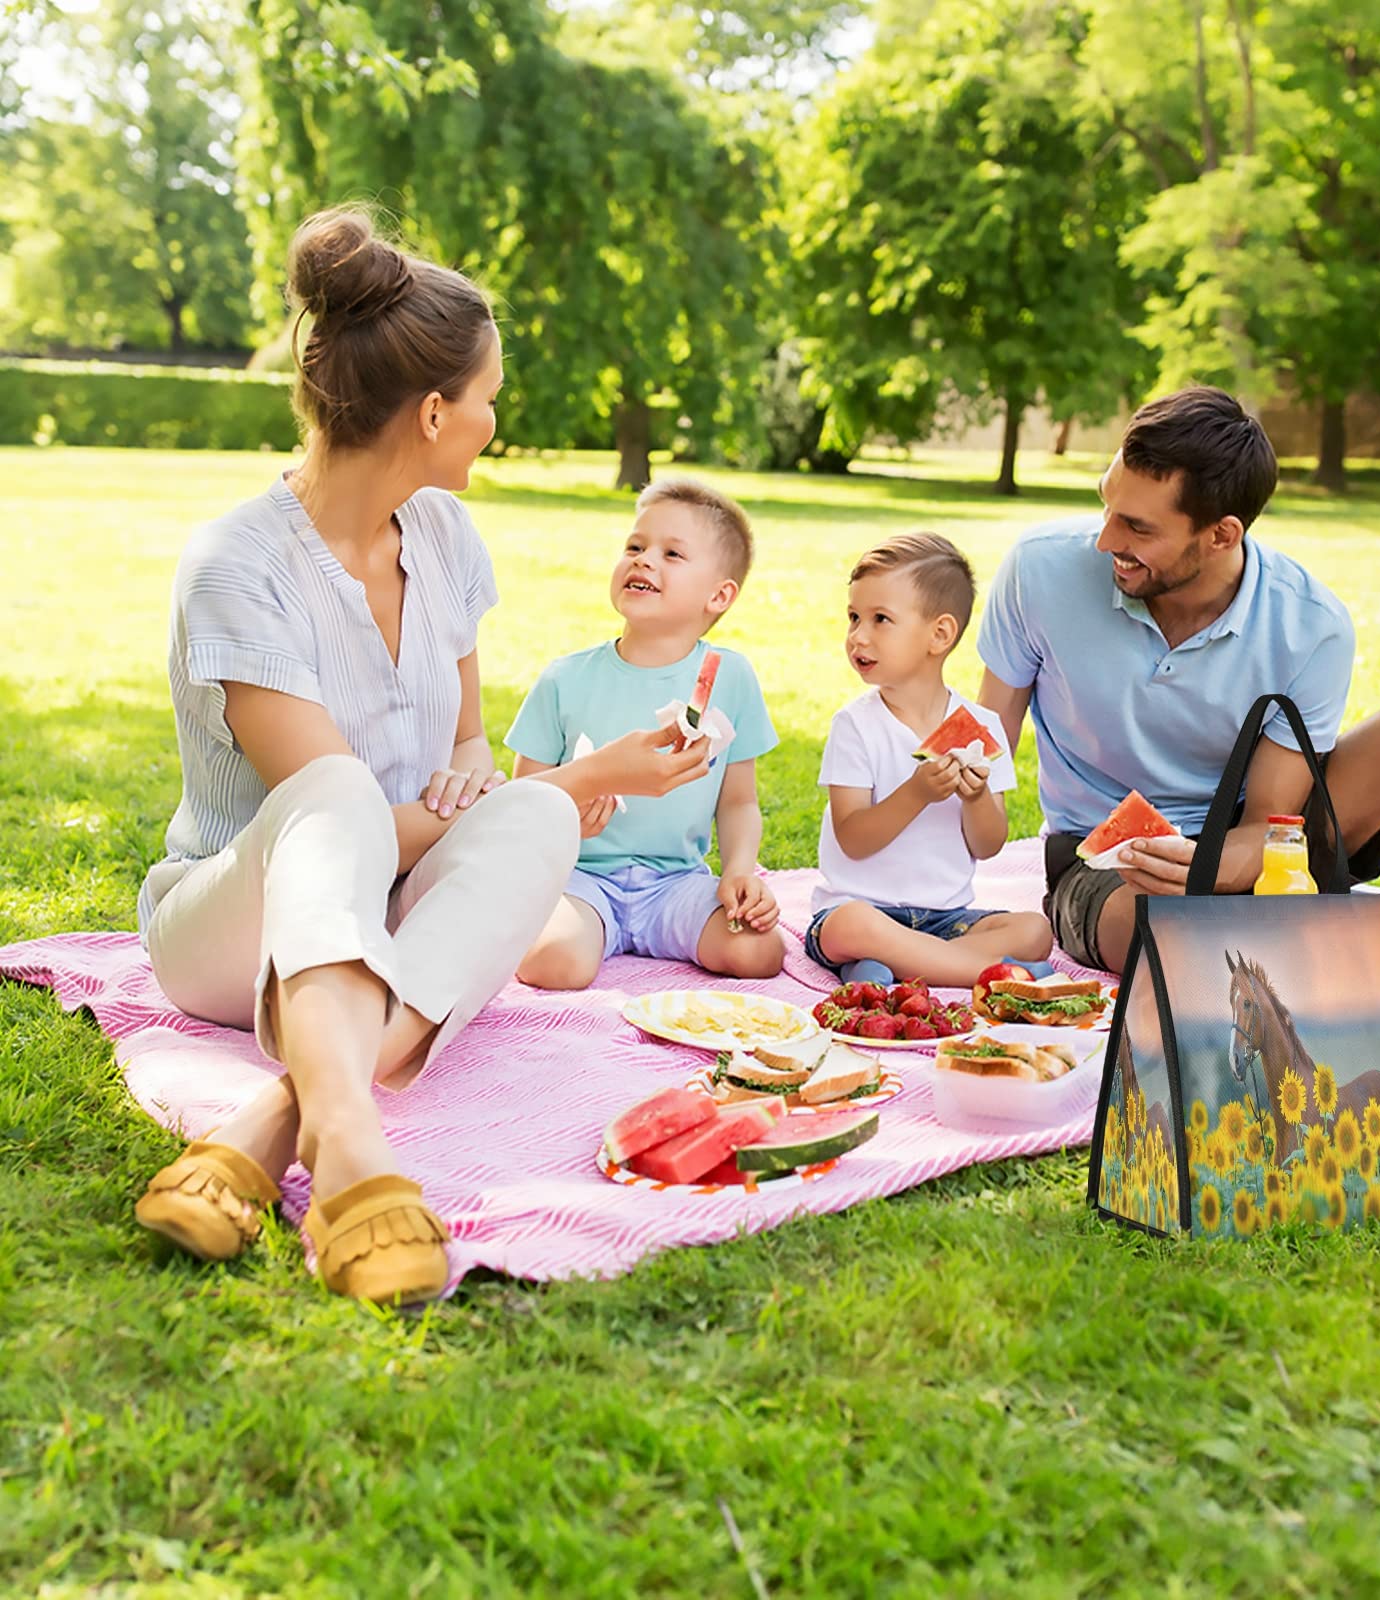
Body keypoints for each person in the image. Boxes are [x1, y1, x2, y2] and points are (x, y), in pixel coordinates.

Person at [133, 209, 712, 1304]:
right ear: (436, 410)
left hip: (392, 913)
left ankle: (277, 1116)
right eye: (489, 397)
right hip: (235, 929)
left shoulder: (444, 536)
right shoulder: (236, 564)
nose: (495, 419)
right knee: (347, 785)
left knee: (536, 821)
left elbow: (464, 751)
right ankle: (350, 1144)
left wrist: (519, 793)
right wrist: (585, 778)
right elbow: (328, 816)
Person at [976, 386, 1380, 1057]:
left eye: (1139, 528)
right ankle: (1362, 917)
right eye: (1108, 505)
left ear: (1222, 534)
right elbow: (985, 754)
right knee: (1183, 953)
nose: (1105, 540)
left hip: (1258, 847)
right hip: (1102, 861)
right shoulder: (1039, 572)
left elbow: (1270, 829)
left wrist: (1211, 870)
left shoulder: (1309, 624)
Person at [506, 478, 786, 988]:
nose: (643, 560)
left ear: (719, 596)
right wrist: (573, 810)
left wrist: (740, 871)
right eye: (634, 547)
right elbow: (521, 800)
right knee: (554, 963)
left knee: (760, 951)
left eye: (672, 554)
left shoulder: (733, 678)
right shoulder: (564, 679)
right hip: (581, 880)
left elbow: (738, 801)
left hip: (677, 884)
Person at [805, 534, 1053, 987]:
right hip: (859, 909)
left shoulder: (980, 725)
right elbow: (853, 839)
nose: (858, 635)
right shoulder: (855, 725)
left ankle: (894, 969)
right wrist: (917, 792)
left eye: (881, 620)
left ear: (939, 635)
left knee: (1034, 931)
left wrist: (977, 796)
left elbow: (988, 844)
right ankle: (996, 975)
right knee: (852, 927)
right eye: (854, 617)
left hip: (945, 918)